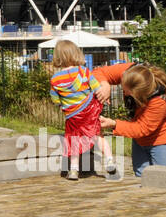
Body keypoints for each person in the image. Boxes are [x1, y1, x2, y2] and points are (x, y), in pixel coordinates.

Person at [98, 63, 166, 177]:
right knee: (142, 178)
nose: (124, 93)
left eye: (127, 92)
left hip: (163, 138)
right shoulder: (132, 73)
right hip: (140, 140)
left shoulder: (158, 101)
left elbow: (142, 128)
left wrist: (114, 124)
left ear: (139, 94)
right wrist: (105, 84)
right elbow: (99, 72)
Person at [48, 40, 117, 180]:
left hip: (73, 116)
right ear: (76, 54)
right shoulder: (84, 72)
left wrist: (64, 105)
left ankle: (73, 170)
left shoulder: (55, 79)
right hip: (89, 113)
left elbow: (55, 100)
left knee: (74, 141)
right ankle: (109, 160)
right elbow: (97, 89)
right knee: (97, 136)